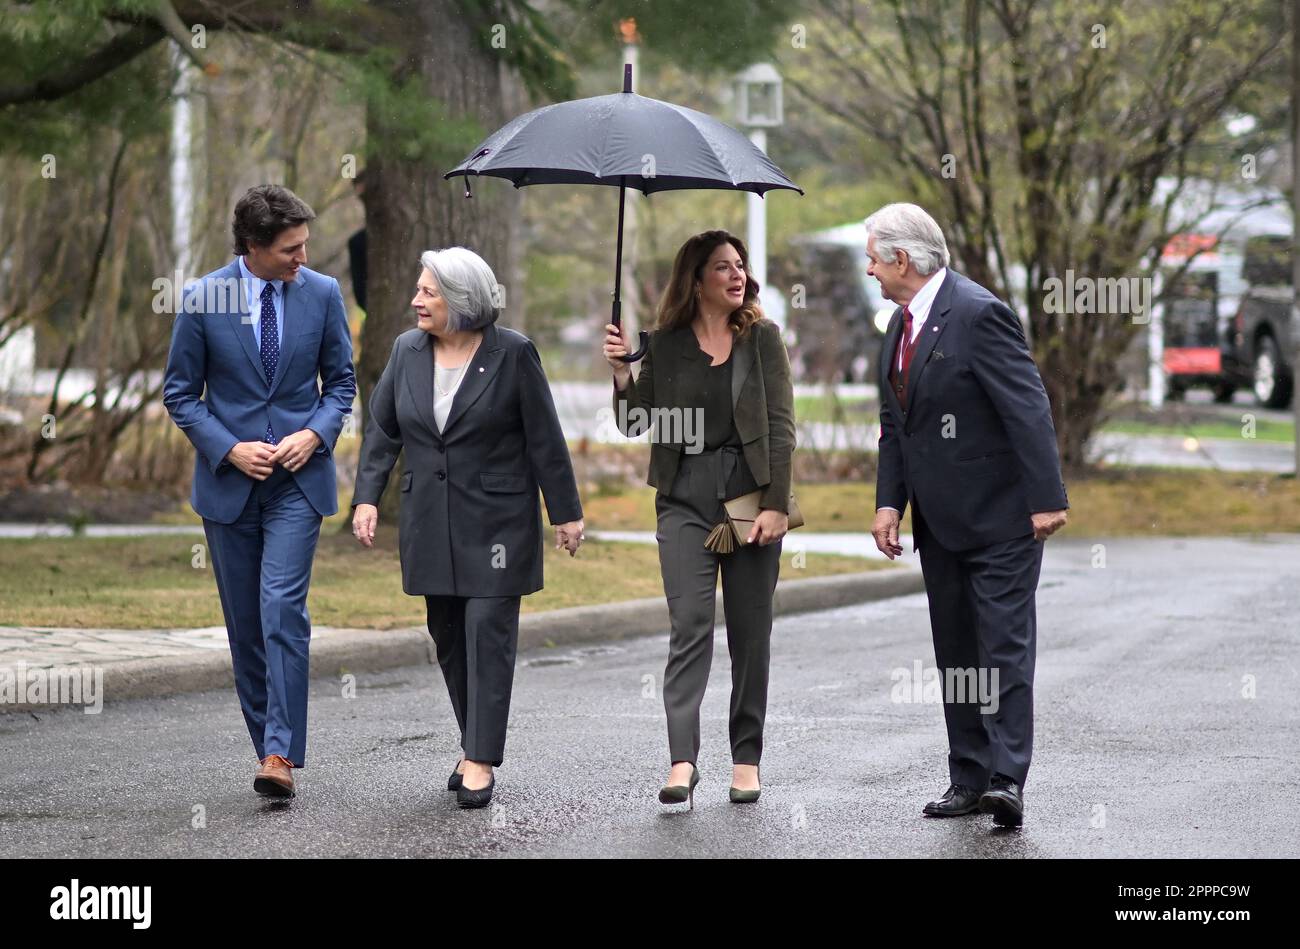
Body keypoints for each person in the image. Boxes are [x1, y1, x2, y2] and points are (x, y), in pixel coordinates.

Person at [351, 247, 584, 809]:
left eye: (427, 292)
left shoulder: (513, 353)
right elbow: (382, 431)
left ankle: (480, 759)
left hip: (498, 524)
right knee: (450, 636)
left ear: (460, 300)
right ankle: (471, 742)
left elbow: (544, 437)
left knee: (487, 633)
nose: (415, 300)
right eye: (419, 289)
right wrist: (366, 499)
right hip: (430, 521)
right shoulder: (406, 350)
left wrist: (565, 511)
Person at [867, 202, 1068, 827]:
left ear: (902, 259)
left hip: (1002, 518)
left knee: (1002, 649)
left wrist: (1047, 498)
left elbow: (1027, 407)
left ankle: (1007, 779)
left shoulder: (979, 313)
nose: (869, 270)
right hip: (939, 524)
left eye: (873, 259)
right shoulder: (897, 327)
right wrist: (889, 502)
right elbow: (895, 426)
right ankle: (969, 776)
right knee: (956, 654)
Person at [162, 184, 356, 798]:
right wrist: (228, 447)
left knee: (280, 609)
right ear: (252, 244)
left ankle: (280, 754)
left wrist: (315, 434)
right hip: (229, 486)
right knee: (245, 625)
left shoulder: (322, 293)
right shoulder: (203, 298)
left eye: (305, 245)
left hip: (298, 484)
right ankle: (265, 746)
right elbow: (180, 394)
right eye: (290, 249)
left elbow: (341, 384)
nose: (303, 258)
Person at [603, 229, 795, 808]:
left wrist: (776, 504)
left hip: (748, 500)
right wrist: (621, 374)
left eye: (740, 265)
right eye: (722, 267)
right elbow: (634, 424)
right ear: (695, 279)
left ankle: (746, 760)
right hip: (683, 499)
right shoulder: (664, 344)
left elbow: (781, 427)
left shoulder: (762, 339)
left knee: (750, 635)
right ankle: (682, 760)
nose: (737, 275)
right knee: (689, 626)